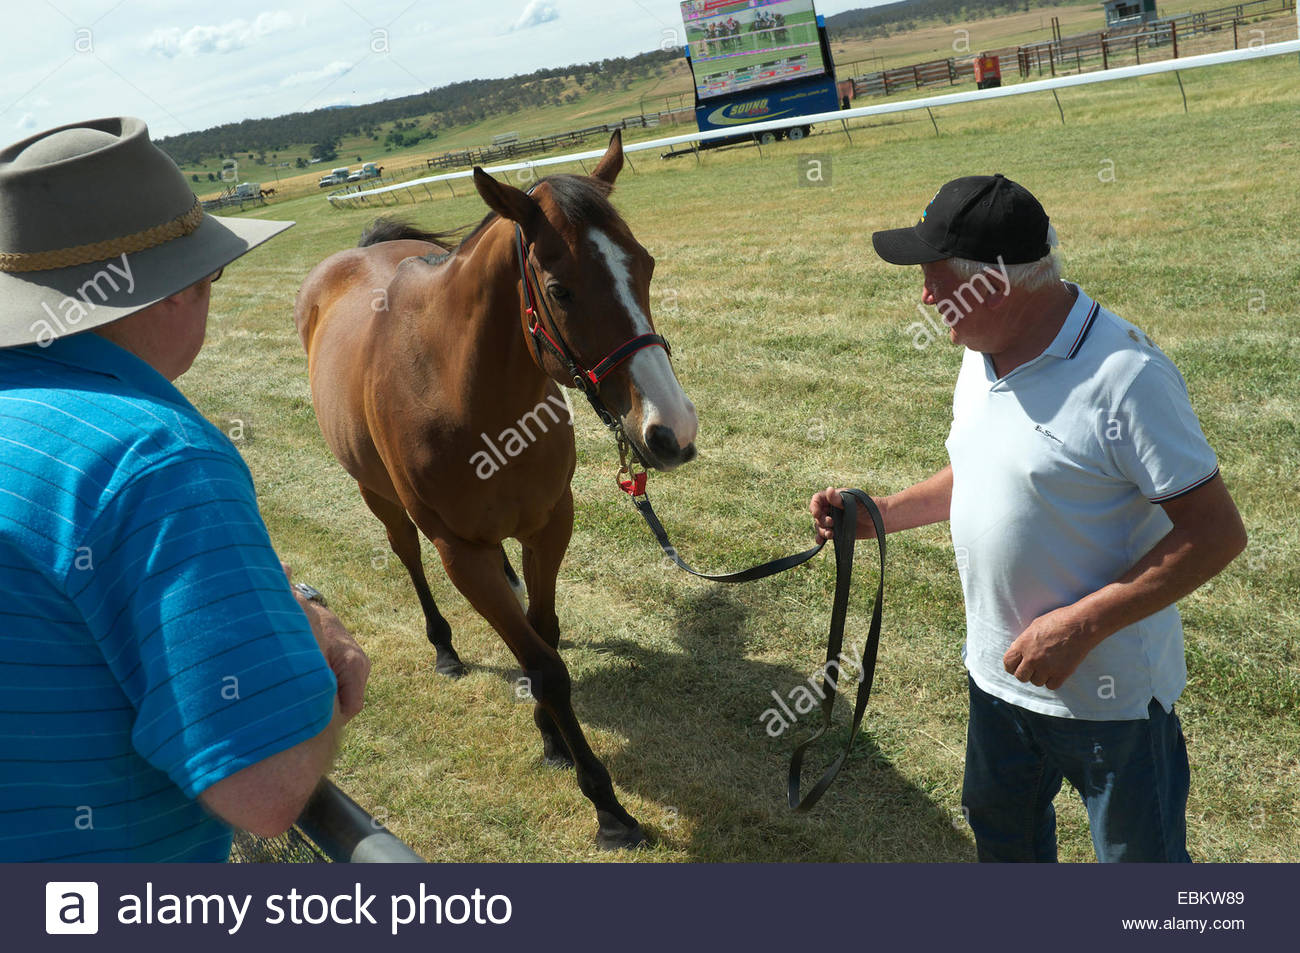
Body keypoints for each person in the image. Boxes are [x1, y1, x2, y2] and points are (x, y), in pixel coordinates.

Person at [810, 174, 1246, 862]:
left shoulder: (1127, 378)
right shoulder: (982, 351)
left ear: (994, 284)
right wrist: (883, 515)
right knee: (1005, 846)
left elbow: (1215, 533)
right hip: (996, 681)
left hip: (1110, 704)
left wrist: (1081, 625)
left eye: (935, 279)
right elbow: (990, 470)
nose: (924, 297)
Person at [0, 117, 371, 861]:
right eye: (209, 277)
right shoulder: (155, 460)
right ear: (172, 291)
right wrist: (309, 625)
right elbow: (265, 788)